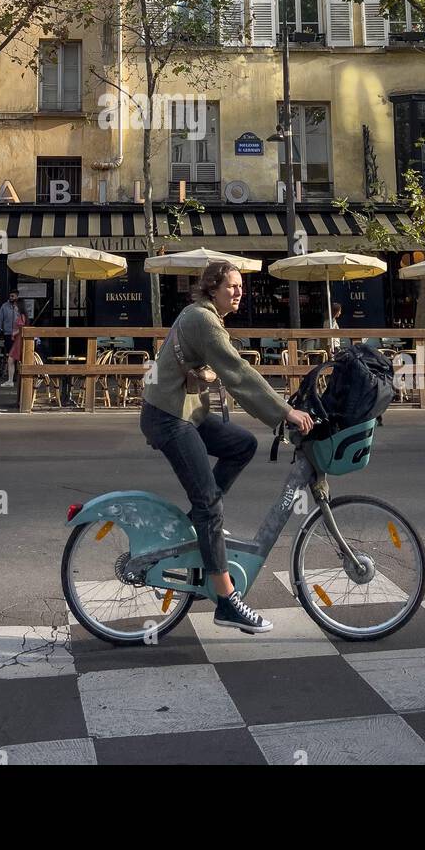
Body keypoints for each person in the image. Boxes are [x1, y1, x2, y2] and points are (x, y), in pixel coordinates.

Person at [140, 260, 314, 636]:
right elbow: (239, 373)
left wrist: (204, 374)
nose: (239, 292)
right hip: (170, 418)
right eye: (231, 286)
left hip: (187, 413)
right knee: (209, 504)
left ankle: (203, 528)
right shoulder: (203, 319)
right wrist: (285, 411)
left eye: (241, 286)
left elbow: (219, 369)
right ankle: (226, 601)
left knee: (242, 444)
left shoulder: (205, 317)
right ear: (212, 288)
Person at [0, 291, 23, 388]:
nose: (11, 297)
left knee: (16, 356)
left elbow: (22, 321)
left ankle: (16, 375)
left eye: (13, 296)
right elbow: (0, 319)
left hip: (17, 335)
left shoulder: (19, 307)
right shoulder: (4, 306)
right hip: (8, 333)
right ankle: (10, 375)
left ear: (17, 297)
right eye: (10, 296)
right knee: (9, 355)